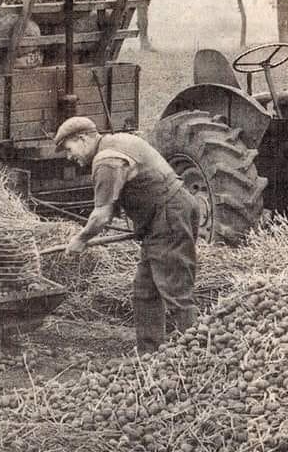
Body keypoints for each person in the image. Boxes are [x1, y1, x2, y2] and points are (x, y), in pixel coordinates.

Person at [55, 116, 200, 354]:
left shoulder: (106, 161)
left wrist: (80, 239)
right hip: (161, 219)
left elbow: (101, 216)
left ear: (82, 139)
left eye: (69, 149)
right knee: (144, 290)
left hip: (168, 217)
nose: (70, 157)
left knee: (175, 291)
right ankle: (149, 355)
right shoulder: (118, 141)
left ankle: (198, 354)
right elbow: (114, 207)